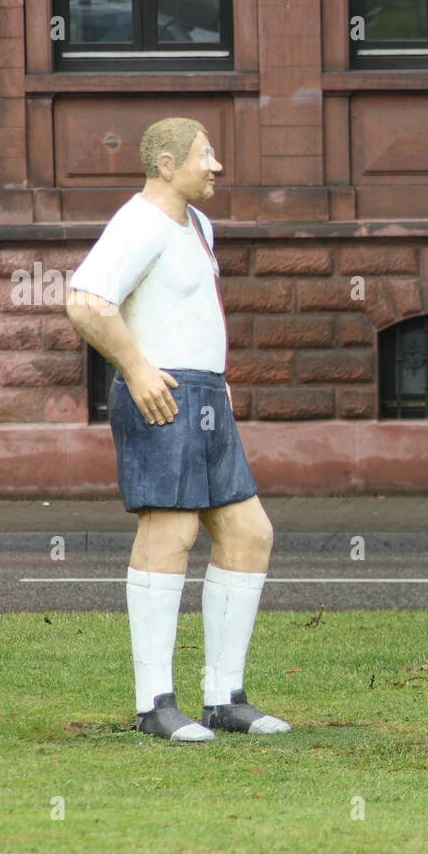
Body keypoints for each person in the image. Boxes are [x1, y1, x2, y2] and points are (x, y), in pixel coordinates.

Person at [65, 117, 289, 740]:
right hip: (163, 394)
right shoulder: (139, 221)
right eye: (205, 155)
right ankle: (154, 705)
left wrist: (218, 387)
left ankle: (224, 698)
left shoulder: (198, 223)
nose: (216, 166)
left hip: (206, 395)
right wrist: (137, 370)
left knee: (249, 533)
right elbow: (85, 300)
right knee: (171, 532)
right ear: (167, 164)